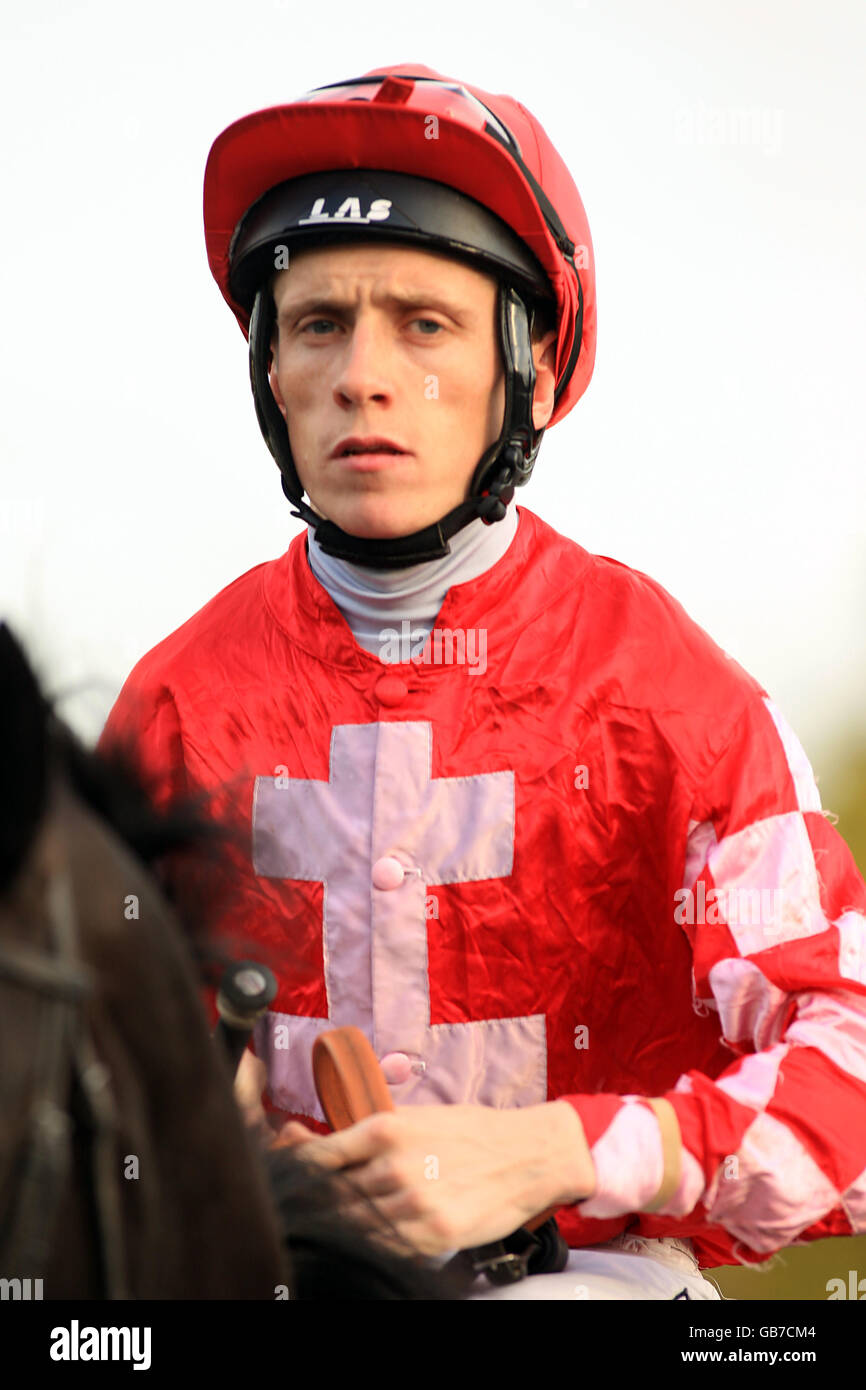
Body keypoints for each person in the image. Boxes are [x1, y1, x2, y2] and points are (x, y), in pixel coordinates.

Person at [99, 63, 866, 1301]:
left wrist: (556, 1150)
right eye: (316, 324)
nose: (362, 375)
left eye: (424, 324)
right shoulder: (176, 700)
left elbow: (853, 1076)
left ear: (531, 370)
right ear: (270, 377)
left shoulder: (670, 693)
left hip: (593, 1280)